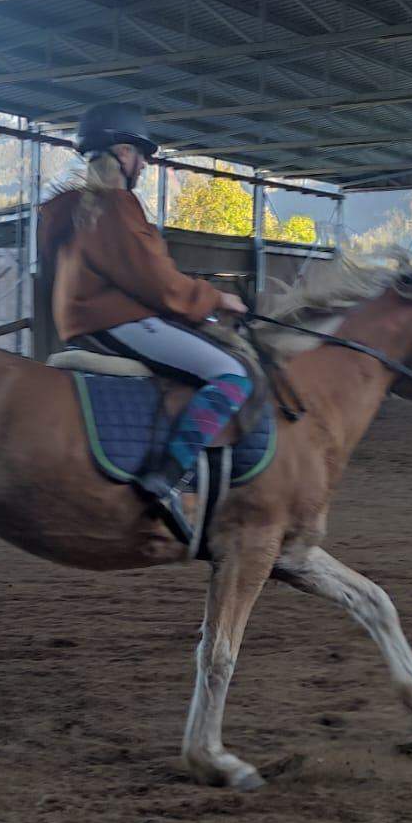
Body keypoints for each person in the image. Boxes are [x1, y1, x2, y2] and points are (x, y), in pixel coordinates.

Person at [37, 101, 251, 543]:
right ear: (121, 153)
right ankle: (169, 475)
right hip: (117, 320)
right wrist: (217, 299)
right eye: (140, 153)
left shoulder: (75, 207)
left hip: (85, 319)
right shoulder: (116, 207)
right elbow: (156, 282)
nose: (146, 162)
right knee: (232, 374)